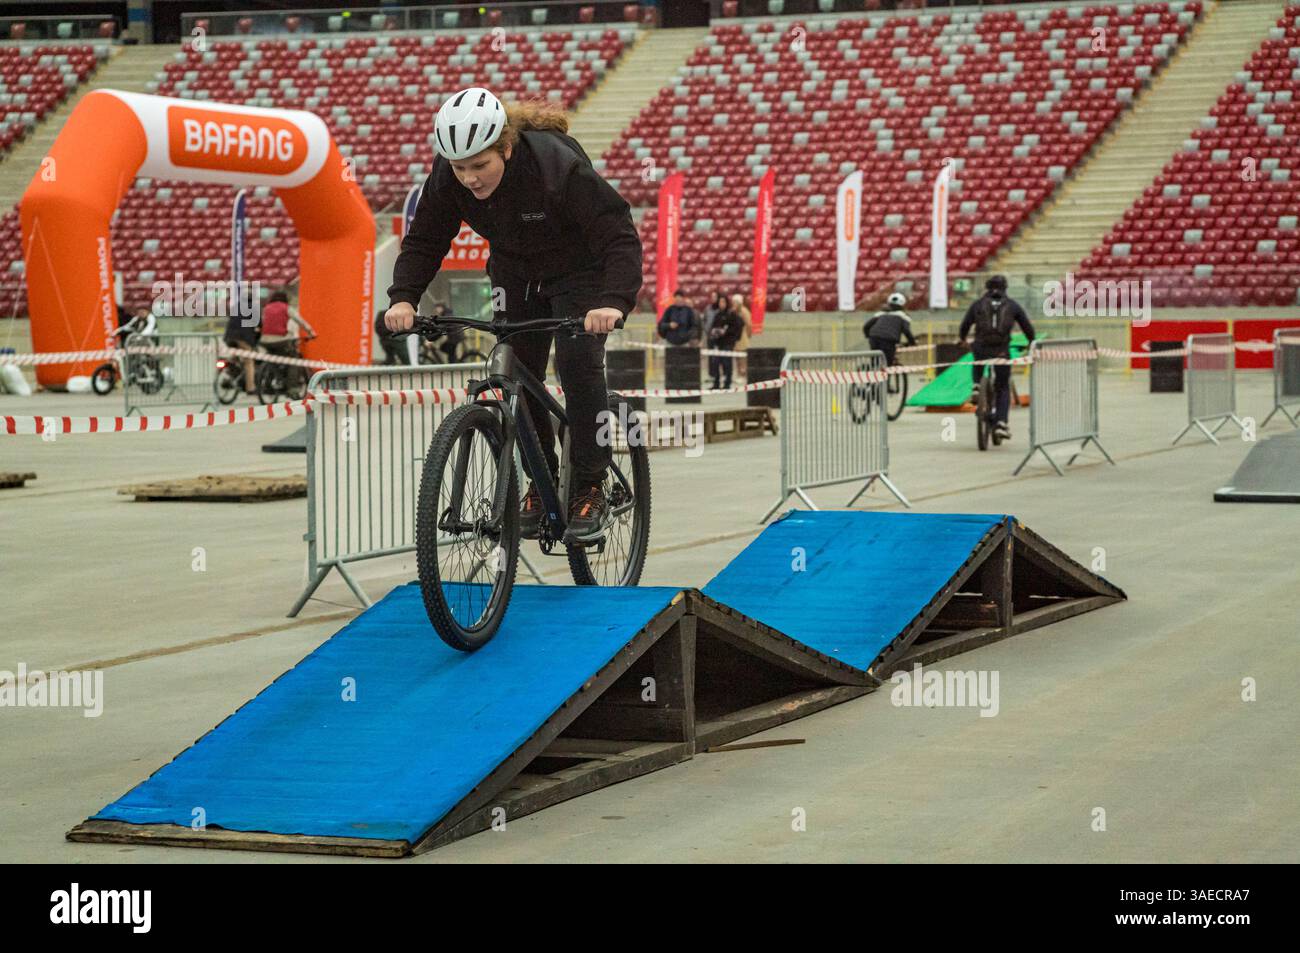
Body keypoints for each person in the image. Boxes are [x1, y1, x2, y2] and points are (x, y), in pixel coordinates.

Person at [384, 87, 642, 542]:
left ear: (506, 147)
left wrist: (613, 301)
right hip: (515, 271)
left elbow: (618, 233)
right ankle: (539, 482)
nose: (470, 179)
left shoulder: (556, 168)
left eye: (480, 166)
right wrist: (403, 297)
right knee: (515, 371)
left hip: (579, 271)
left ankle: (590, 484)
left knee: (577, 364)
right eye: (460, 168)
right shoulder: (450, 175)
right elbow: (425, 239)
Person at [958, 275, 1035, 440]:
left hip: (981, 346)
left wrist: (963, 339)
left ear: (986, 287)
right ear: (1005, 288)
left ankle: (977, 385)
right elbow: (1027, 327)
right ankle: (1001, 423)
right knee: (1002, 387)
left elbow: (965, 324)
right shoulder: (1013, 305)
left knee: (977, 356)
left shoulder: (978, 304)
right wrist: (1031, 342)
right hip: (1001, 350)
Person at [863, 291, 917, 366]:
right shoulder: (903, 316)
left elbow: (866, 326)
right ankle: (885, 377)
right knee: (887, 364)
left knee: (875, 362)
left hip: (874, 338)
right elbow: (906, 330)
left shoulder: (880, 313)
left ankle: (873, 375)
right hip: (889, 340)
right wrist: (912, 343)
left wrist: (868, 336)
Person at [707, 300, 745, 389]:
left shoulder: (731, 315)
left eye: (723, 302)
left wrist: (727, 332)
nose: (722, 304)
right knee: (715, 362)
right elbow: (712, 327)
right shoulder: (717, 315)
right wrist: (715, 332)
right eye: (720, 302)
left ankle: (727, 383)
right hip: (718, 343)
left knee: (727, 363)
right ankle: (716, 383)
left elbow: (739, 326)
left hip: (728, 343)